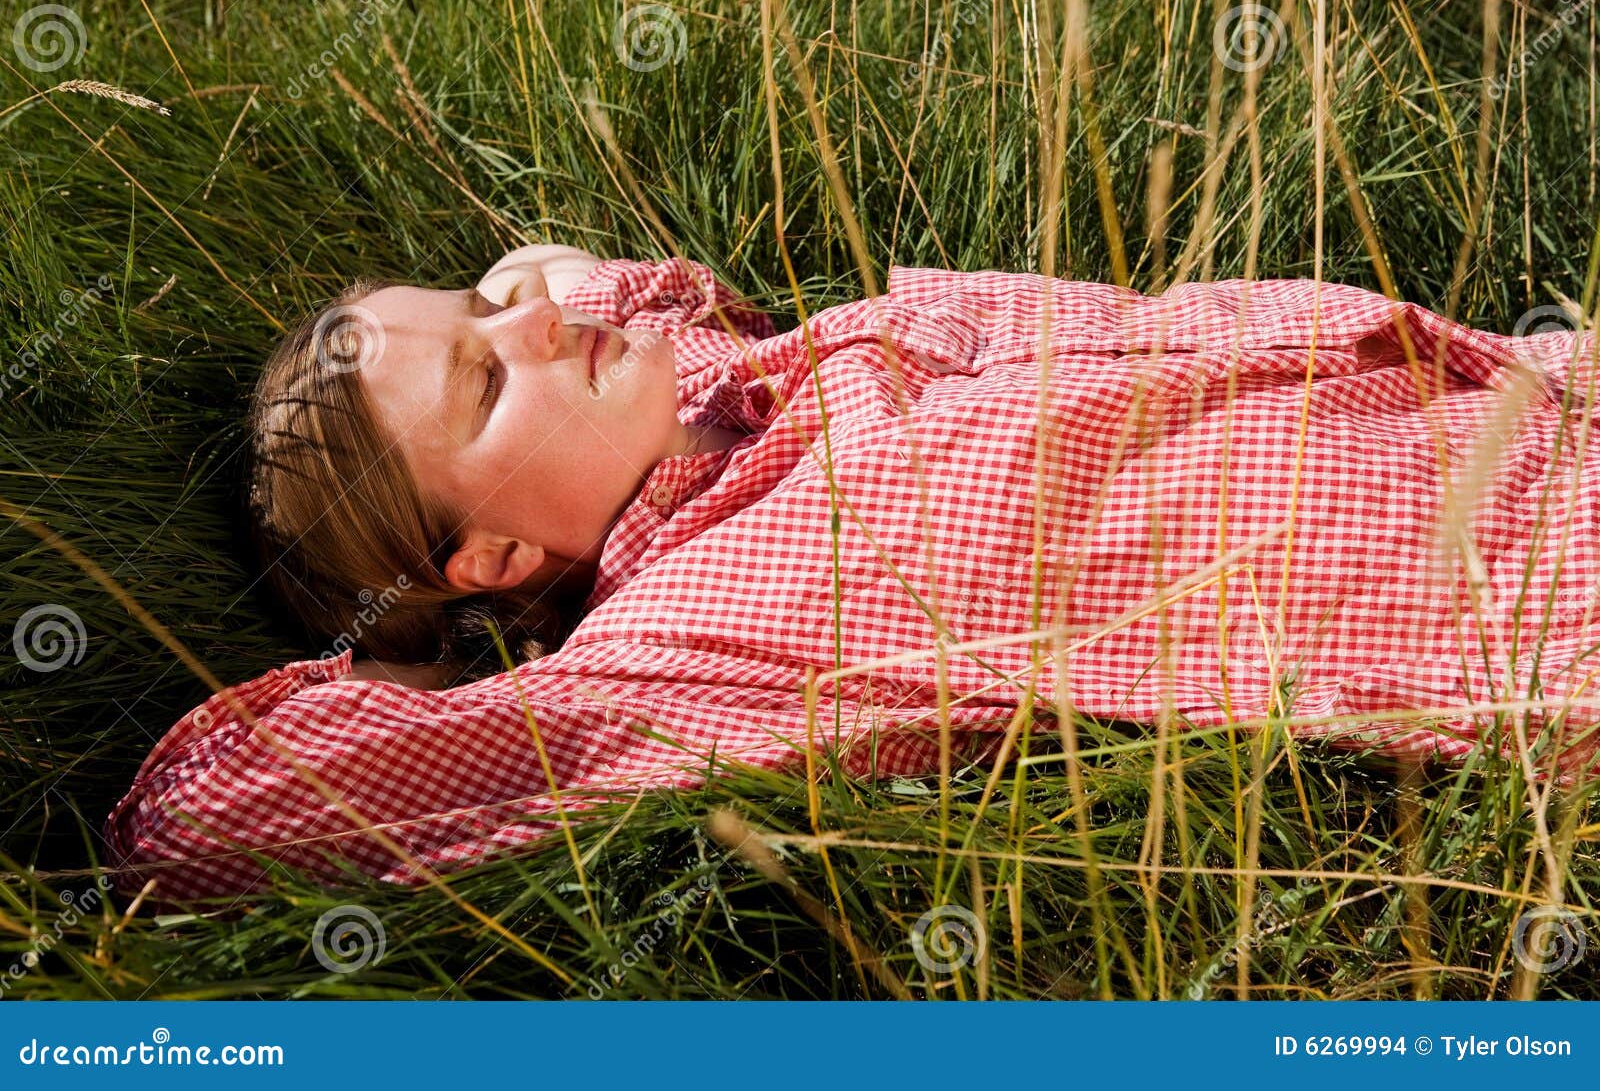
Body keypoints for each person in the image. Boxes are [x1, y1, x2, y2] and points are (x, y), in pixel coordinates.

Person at [105, 251, 1600, 899]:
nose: (537, 328)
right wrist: (415, 644)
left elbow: (613, 284)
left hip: (1513, 390)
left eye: (490, 309)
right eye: (484, 389)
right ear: (490, 555)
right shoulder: (692, 636)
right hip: (1526, 578)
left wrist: (514, 310)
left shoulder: (736, 377)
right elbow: (206, 822)